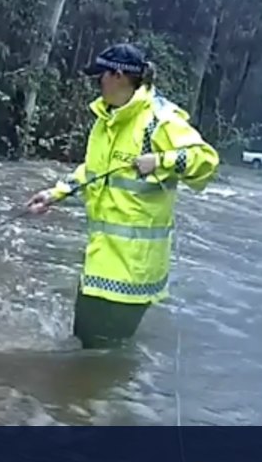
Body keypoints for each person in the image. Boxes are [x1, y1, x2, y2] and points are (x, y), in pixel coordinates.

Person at [25, 43, 220, 349]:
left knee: (98, 356)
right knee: (85, 351)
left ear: (118, 76)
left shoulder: (159, 120)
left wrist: (160, 161)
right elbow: (93, 173)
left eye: (100, 76)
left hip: (132, 271)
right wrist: (55, 194)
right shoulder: (108, 119)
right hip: (100, 261)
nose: (97, 83)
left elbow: (206, 161)